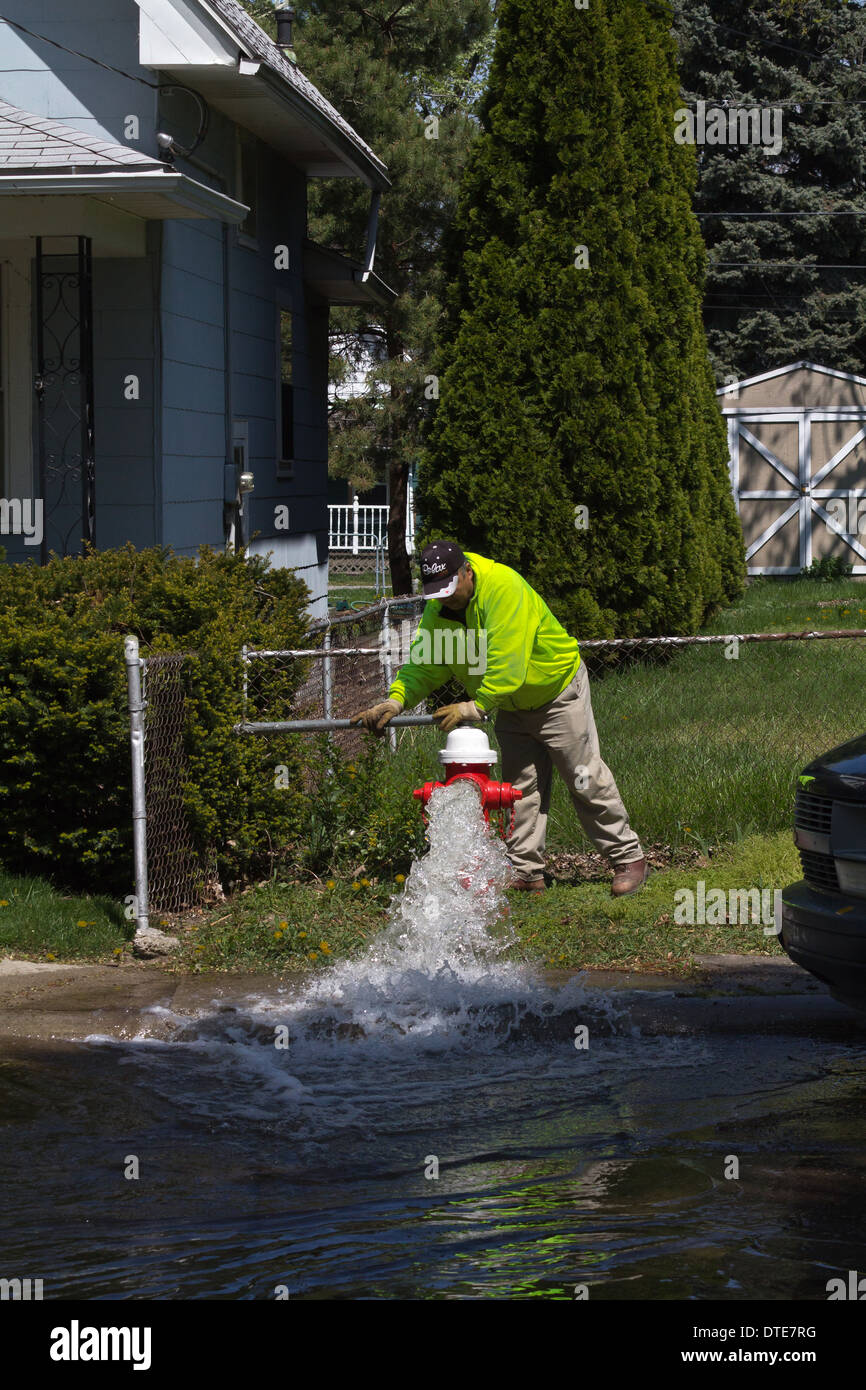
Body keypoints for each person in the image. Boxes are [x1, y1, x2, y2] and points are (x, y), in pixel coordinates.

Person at [351, 541, 648, 897]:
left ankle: (627, 858)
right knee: (519, 789)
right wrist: (396, 700)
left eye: (450, 589)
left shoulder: (504, 588)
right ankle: (525, 872)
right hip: (510, 703)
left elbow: (510, 662)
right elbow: (426, 664)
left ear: (467, 572)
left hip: (555, 691)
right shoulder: (439, 611)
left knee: (583, 776)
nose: (445, 599)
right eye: (437, 594)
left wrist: (476, 706)